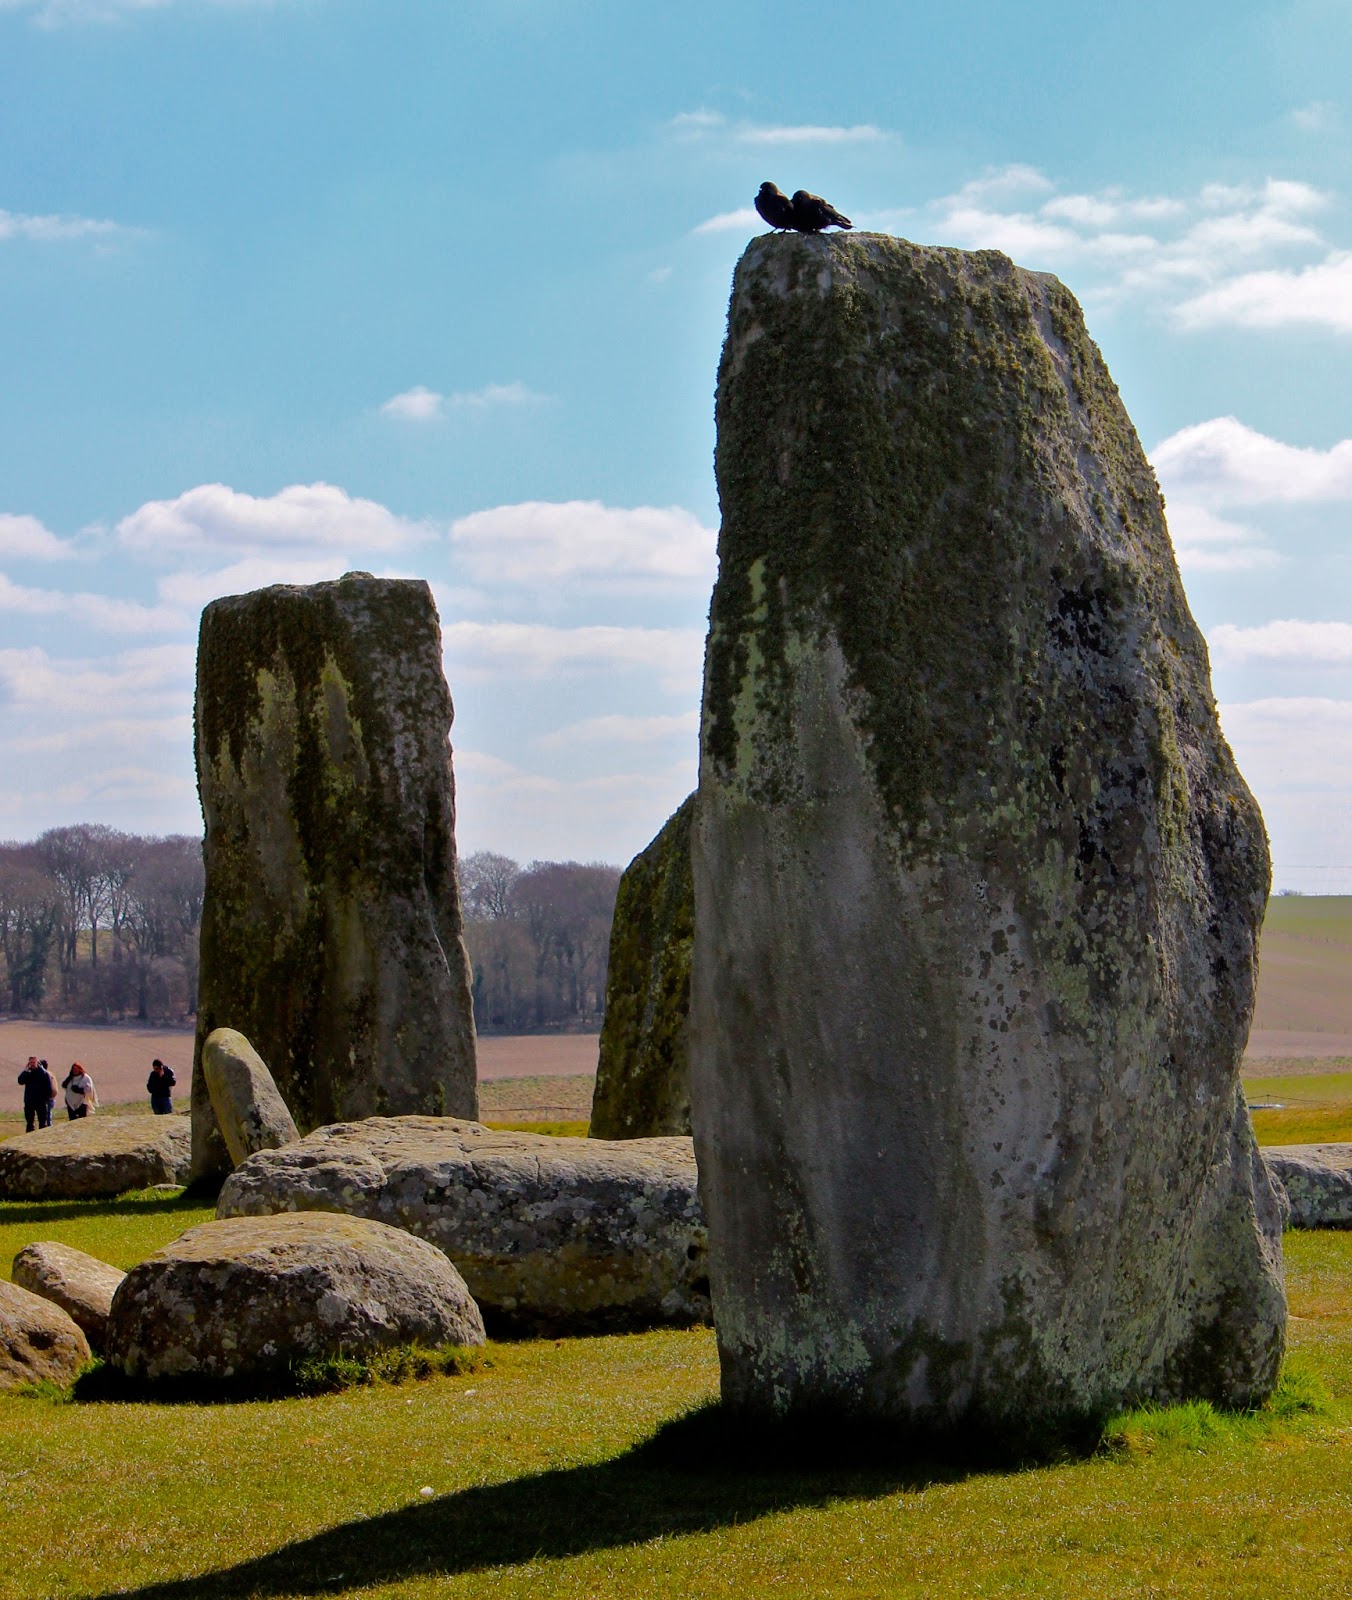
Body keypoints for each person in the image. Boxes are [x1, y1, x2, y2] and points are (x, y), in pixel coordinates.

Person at [17, 1056, 55, 1133]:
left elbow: (49, 1088)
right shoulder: (28, 1073)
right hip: (29, 1101)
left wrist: (45, 1099)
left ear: (37, 1062)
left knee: (42, 1122)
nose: (32, 1064)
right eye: (30, 1063)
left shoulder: (43, 1073)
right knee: (30, 1123)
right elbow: (20, 1081)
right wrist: (25, 1071)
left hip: (41, 1102)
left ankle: (42, 1137)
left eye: (33, 1062)